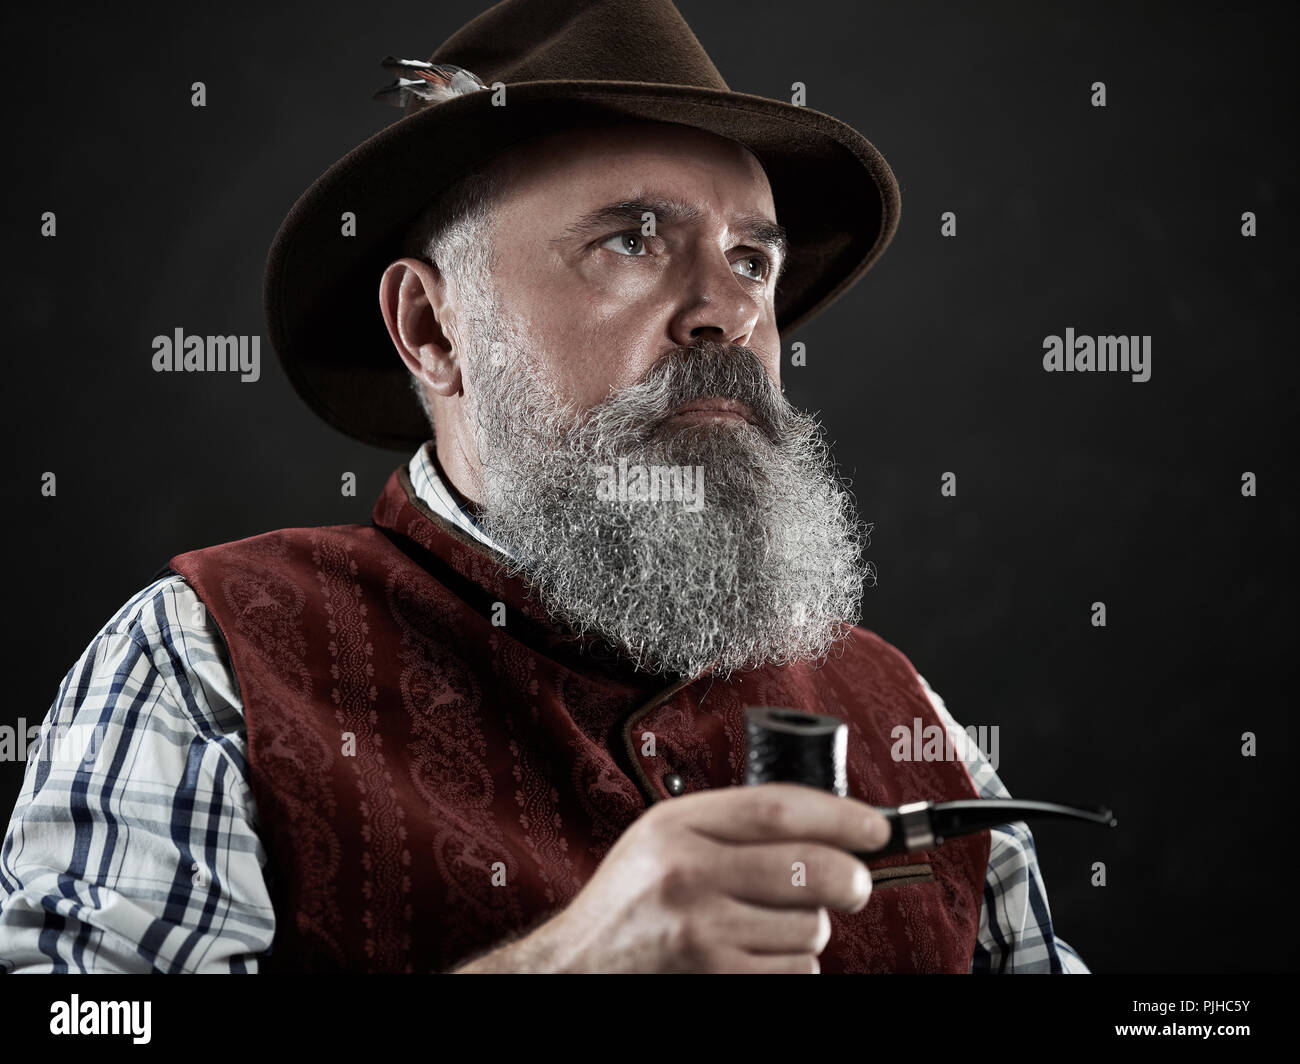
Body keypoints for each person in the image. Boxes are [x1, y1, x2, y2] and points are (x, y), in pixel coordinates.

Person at [0, 0, 1087, 974]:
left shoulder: (900, 709)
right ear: (432, 328)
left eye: (752, 260)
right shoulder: (208, 662)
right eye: (631, 239)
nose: (728, 313)